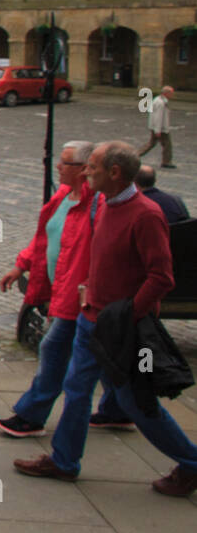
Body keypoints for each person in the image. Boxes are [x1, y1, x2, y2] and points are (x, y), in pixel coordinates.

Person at [14, 141, 197, 497]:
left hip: (120, 329)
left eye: (92, 167)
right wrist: (87, 287)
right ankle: (64, 461)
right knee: (77, 388)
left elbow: (162, 278)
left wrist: (126, 315)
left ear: (114, 173)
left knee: (136, 403)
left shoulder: (145, 215)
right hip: (90, 318)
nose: (85, 172)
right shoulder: (103, 205)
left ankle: (191, 463)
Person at [0, 141, 128, 436]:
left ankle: (32, 415)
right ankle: (119, 409)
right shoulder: (62, 197)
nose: (57, 167)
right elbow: (44, 238)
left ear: (83, 170)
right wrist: (21, 265)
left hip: (80, 298)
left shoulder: (100, 205)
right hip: (63, 290)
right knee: (102, 357)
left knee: (53, 350)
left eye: (64, 163)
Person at [139, 85, 175, 168]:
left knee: (151, 144)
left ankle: (137, 154)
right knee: (167, 145)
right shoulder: (160, 103)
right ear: (167, 93)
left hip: (157, 127)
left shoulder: (159, 100)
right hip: (161, 128)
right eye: (171, 93)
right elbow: (158, 117)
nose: (172, 95)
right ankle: (166, 161)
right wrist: (157, 130)